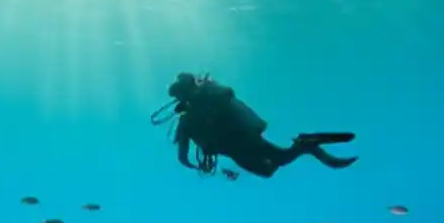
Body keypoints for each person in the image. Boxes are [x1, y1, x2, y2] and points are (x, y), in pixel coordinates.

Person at [152, 72, 358, 178]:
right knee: (277, 162)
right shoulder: (210, 97)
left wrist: (193, 165)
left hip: (236, 146)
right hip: (247, 136)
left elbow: (182, 154)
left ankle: (305, 145)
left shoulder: (187, 119)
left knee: (270, 169)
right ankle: (307, 146)